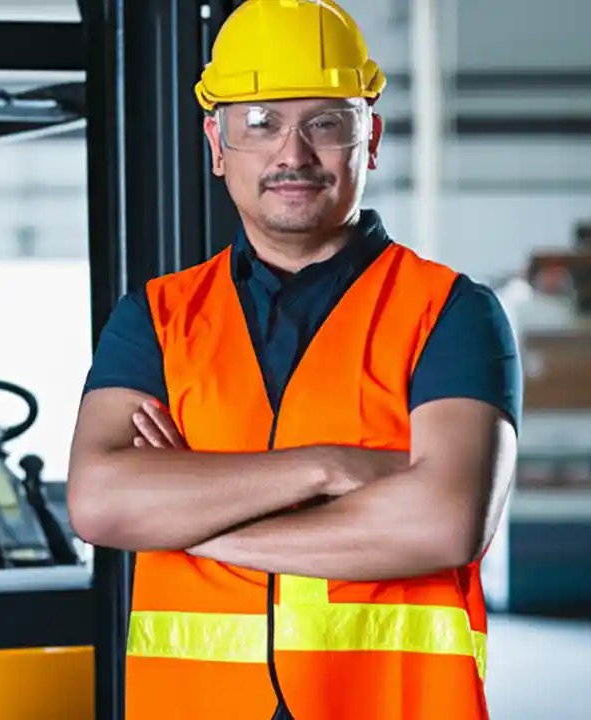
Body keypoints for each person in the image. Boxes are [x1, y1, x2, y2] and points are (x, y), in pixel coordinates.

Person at [65, 1, 522, 719]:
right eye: (261, 123)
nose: (293, 154)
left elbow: (442, 523)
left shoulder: (450, 313)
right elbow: (99, 502)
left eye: (326, 122)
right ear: (216, 145)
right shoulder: (156, 319)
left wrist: (192, 519)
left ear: (369, 139)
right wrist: (332, 468)